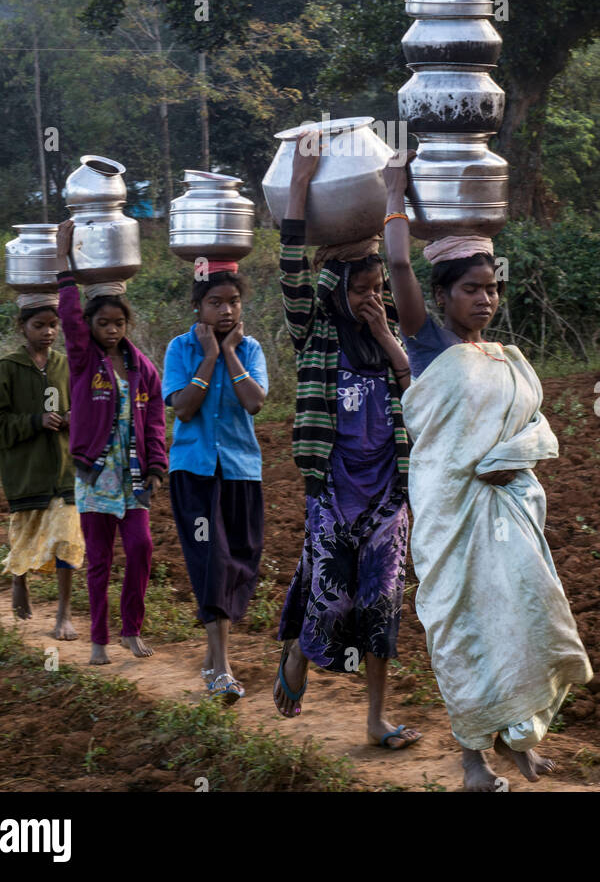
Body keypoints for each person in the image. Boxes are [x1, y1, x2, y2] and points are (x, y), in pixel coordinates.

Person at [382, 154, 593, 792]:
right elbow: (396, 264)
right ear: (441, 295)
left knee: (526, 618)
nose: (484, 299)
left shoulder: (504, 358)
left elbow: (535, 429)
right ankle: (474, 758)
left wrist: (513, 457)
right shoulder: (427, 343)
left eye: (491, 288)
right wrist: (396, 194)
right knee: (465, 628)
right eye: (470, 289)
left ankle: (523, 739)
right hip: (453, 516)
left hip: (510, 514)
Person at [272, 133, 421, 752]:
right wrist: (301, 186)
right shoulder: (313, 332)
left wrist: (387, 334)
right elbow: (288, 268)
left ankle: (375, 719)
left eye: (376, 287)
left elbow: (414, 388)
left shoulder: (382, 340)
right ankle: (299, 657)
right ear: (335, 288)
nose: (370, 297)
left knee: (380, 605)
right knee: (330, 598)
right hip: (333, 487)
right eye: (360, 289)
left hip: (387, 490)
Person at [55, 219, 167, 666]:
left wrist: (157, 468)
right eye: (103, 323)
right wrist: (66, 266)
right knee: (98, 560)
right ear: (91, 325)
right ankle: (98, 639)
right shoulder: (84, 361)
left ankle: (131, 630)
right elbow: (67, 317)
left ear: (127, 323)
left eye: (119, 323)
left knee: (141, 548)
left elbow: (156, 420)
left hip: (134, 477)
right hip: (95, 475)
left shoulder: (145, 370)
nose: (112, 330)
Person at [162, 261, 268, 703]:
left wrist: (228, 353)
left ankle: (212, 657)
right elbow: (184, 408)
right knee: (213, 560)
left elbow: (255, 402)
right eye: (215, 303)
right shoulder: (179, 349)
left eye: (233, 302)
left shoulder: (251, 349)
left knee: (241, 558)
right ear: (197, 307)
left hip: (242, 469)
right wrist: (208, 357)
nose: (225, 311)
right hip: (194, 471)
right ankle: (222, 669)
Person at [0, 296, 83, 638]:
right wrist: (35, 421)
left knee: (68, 539)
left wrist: (72, 419)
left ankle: (63, 615)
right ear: (22, 327)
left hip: (64, 471)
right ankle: (19, 578)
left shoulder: (64, 365)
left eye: (53, 325)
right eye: (38, 325)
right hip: (26, 471)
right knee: (25, 536)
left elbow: (82, 409)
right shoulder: (8, 367)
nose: (48, 332)